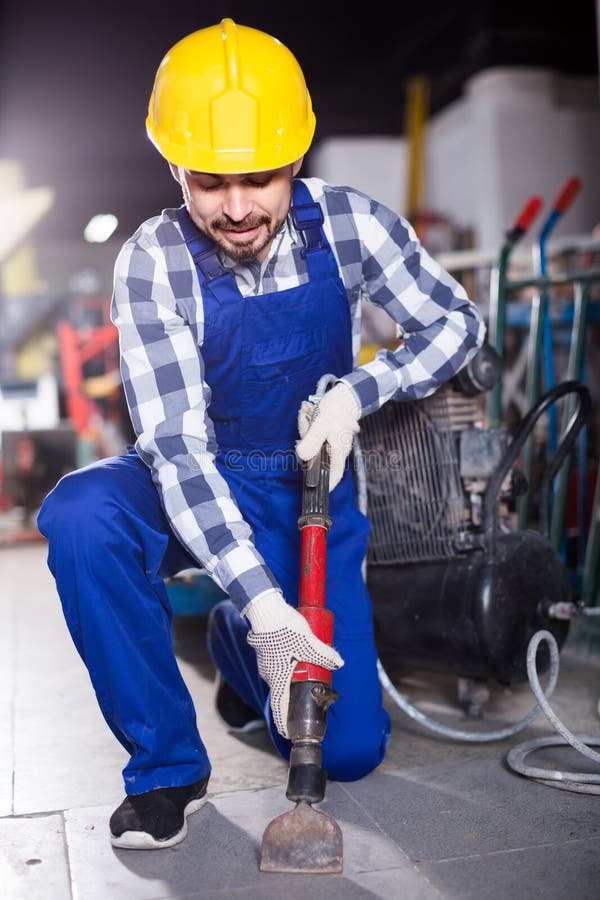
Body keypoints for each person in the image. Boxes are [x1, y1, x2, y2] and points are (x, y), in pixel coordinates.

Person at [37, 18, 486, 851]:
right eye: (209, 183)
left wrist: (363, 388)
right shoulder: (154, 260)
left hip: (304, 488)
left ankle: (236, 651)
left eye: (261, 179)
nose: (237, 209)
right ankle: (169, 769)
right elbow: (176, 450)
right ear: (174, 167)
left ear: (296, 161)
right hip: (192, 479)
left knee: (348, 755)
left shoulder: (352, 225)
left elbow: (457, 325)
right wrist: (269, 604)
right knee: (81, 514)